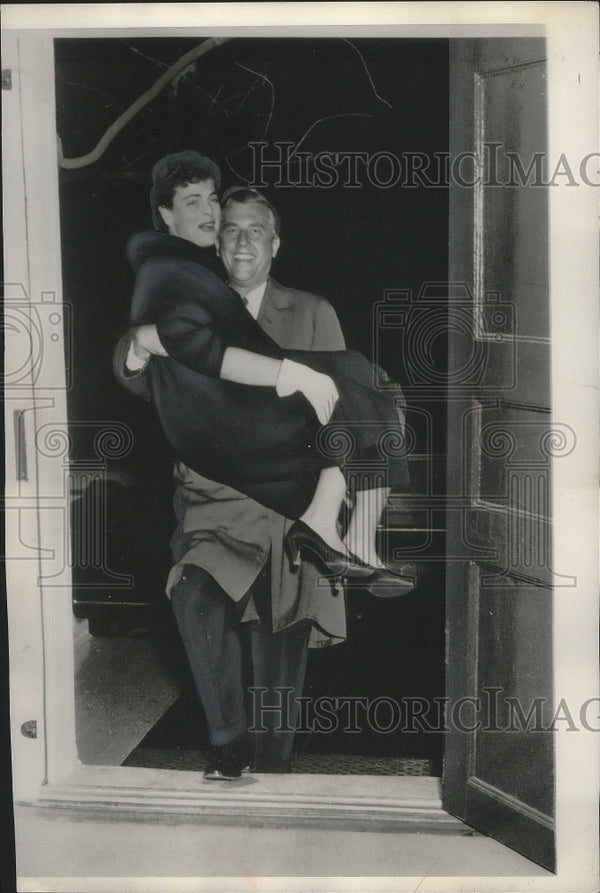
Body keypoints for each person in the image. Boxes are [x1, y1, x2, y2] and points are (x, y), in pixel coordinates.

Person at [114, 152, 412, 778]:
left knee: (280, 657)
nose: (242, 240)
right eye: (230, 229)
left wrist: (339, 506)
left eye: (256, 230)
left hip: (289, 508)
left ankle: (271, 775)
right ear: (214, 243)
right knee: (193, 596)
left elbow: (342, 417)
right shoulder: (189, 298)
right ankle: (227, 740)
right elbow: (139, 374)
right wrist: (136, 348)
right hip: (213, 501)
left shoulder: (311, 311)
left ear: (276, 244)